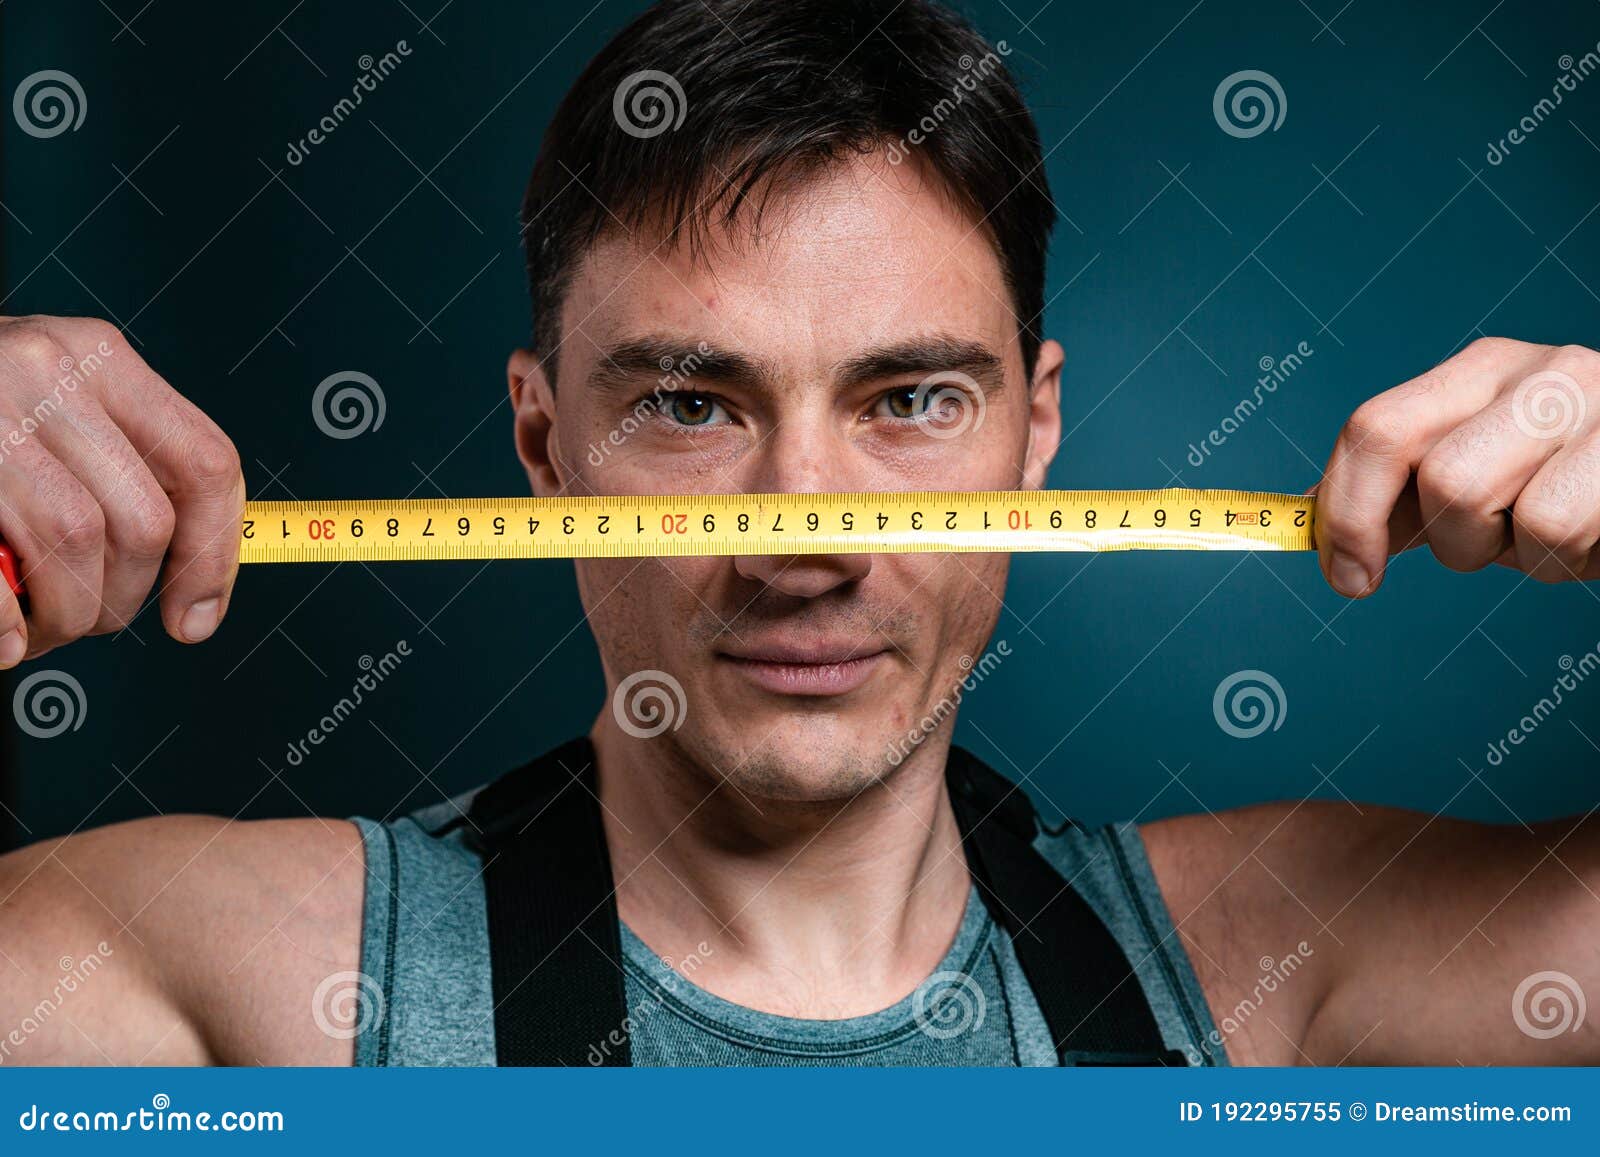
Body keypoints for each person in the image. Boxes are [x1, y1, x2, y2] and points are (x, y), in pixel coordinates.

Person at [0, 0, 1596, 1067]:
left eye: (909, 400)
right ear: (540, 443)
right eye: (691, 407)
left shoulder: (1266, 964)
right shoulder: (244, 979)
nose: (804, 541)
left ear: (1036, 436)